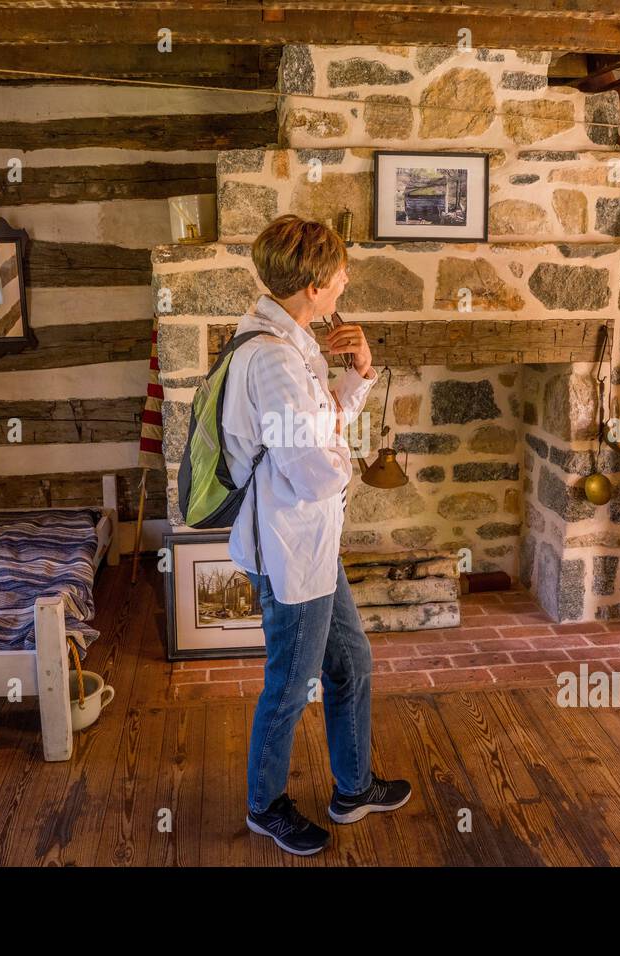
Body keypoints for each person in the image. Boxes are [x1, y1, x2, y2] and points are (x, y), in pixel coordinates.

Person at [220, 214, 412, 856]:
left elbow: (321, 427)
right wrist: (345, 462)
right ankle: (265, 806)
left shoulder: (290, 342)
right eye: (340, 274)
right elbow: (310, 471)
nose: (346, 281)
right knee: (290, 685)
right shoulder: (273, 360)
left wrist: (359, 373)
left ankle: (353, 789)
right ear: (313, 286)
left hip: (312, 547)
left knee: (350, 662)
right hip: (290, 550)